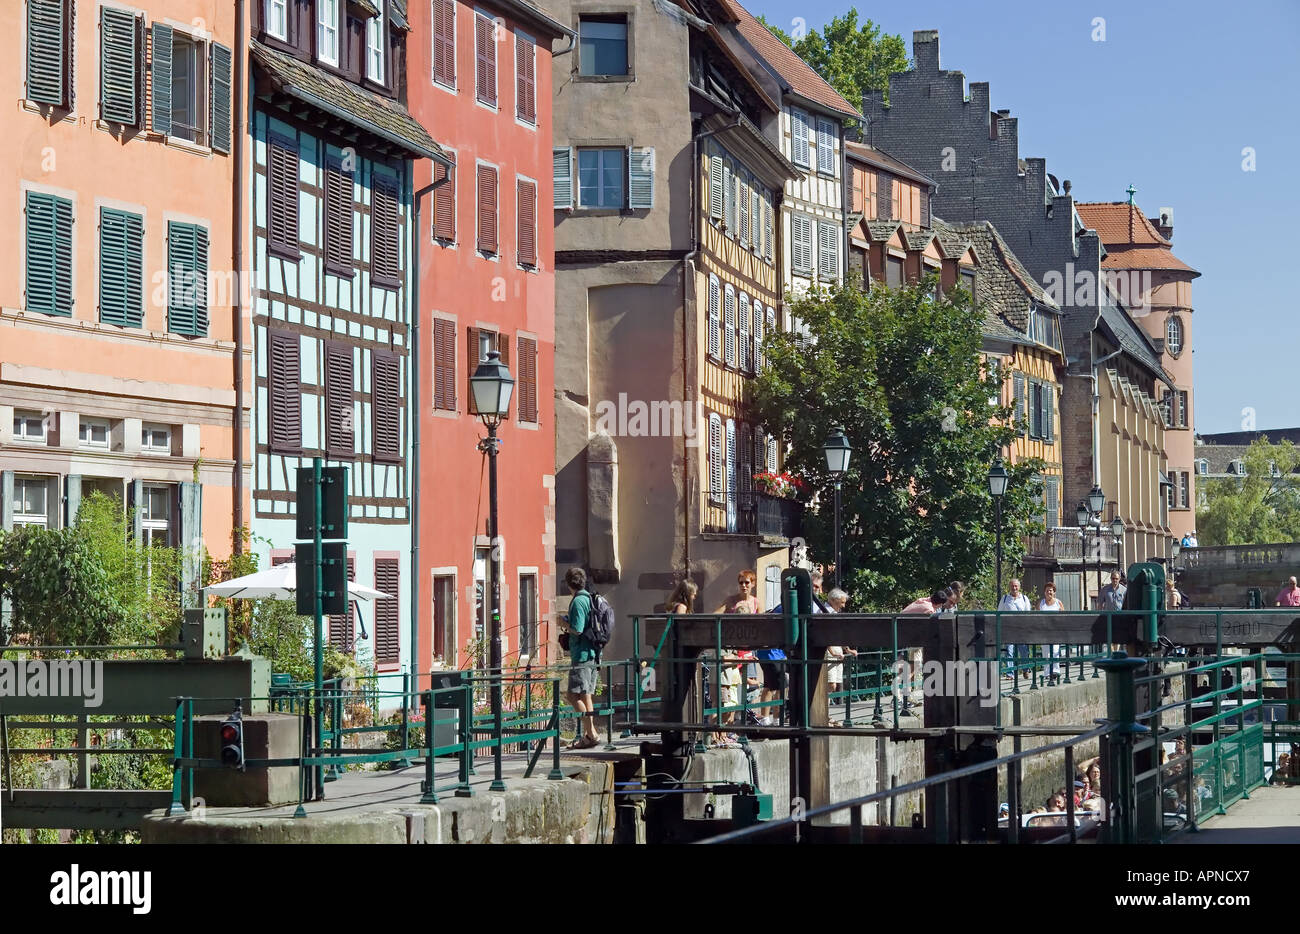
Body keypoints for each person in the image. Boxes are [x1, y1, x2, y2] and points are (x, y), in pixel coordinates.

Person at [561, 567, 601, 749]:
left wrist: (562, 623)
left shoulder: (578, 602)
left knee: (572, 695)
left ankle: (592, 733)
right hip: (593, 653)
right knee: (586, 696)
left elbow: (577, 629)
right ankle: (589, 735)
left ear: (569, 583)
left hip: (582, 655)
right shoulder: (590, 598)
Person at [823, 588, 856, 706]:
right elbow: (824, 633)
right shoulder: (825, 612)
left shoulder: (834, 613)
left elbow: (837, 634)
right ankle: (822, 714)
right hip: (830, 652)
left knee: (833, 685)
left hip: (837, 652)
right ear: (833, 600)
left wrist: (847, 649)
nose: (843, 605)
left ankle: (825, 715)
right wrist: (831, 651)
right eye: (842, 602)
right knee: (830, 684)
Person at [998, 579, 1031, 674]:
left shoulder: (1024, 598)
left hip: (1021, 629)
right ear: (1009, 587)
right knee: (1009, 651)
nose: (1014, 588)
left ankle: (1025, 669)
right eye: (1012, 586)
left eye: (1016, 586)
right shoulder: (1005, 599)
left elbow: (1028, 614)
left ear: (1019, 587)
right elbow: (999, 613)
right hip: (1009, 629)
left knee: (1024, 651)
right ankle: (1010, 673)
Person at [1039, 581, 1064, 682]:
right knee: (1046, 652)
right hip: (1044, 630)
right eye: (1047, 591)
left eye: (1051, 590)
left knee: (1055, 651)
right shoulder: (1041, 603)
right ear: (1044, 592)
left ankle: (1055, 671)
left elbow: (1063, 615)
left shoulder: (1058, 602)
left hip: (1055, 630)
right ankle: (1047, 672)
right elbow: (1037, 616)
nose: (1049, 592)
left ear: (1054, 592)